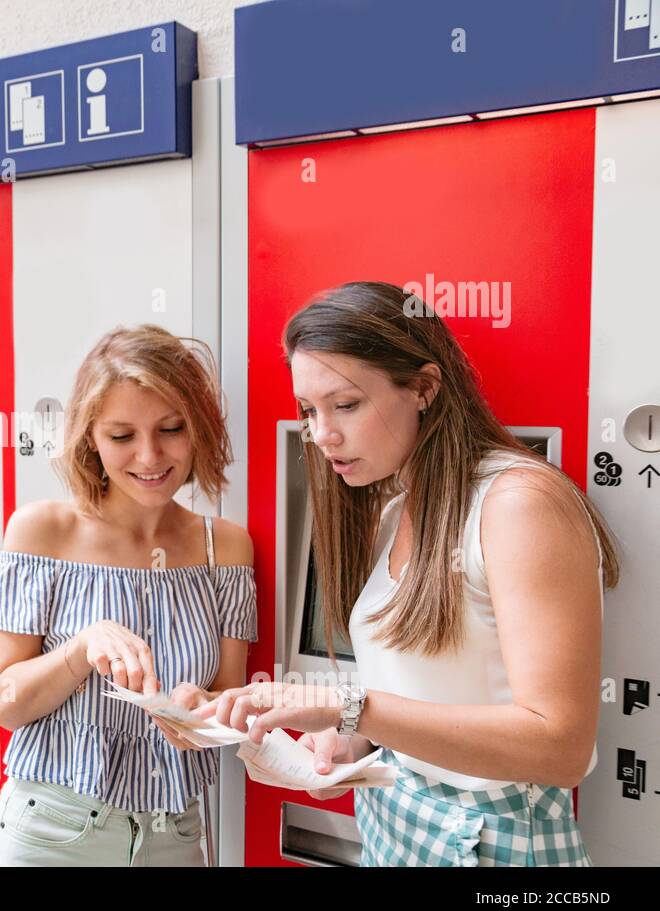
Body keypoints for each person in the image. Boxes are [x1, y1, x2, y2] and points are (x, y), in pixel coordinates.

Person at [201, 281, 617, 867]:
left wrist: (347, 707)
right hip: (396, 824)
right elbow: (424, 693)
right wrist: (347, 742)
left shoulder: (519, 503)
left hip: (494, 839)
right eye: (309, 411)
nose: (322, 435)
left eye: (345, 405)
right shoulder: (393, 508)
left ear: (424, 387)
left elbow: (560, 748)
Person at [0, 325, 257, 867]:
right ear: (90, 439)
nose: (150, 456)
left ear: (198, 428)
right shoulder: (42, 531)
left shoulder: (225, 546)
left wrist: (200, 718)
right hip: (50, 833)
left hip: (174, 836)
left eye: (171, 428)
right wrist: (82, 648)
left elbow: (230, 703)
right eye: (122, 436)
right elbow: (4, 703)